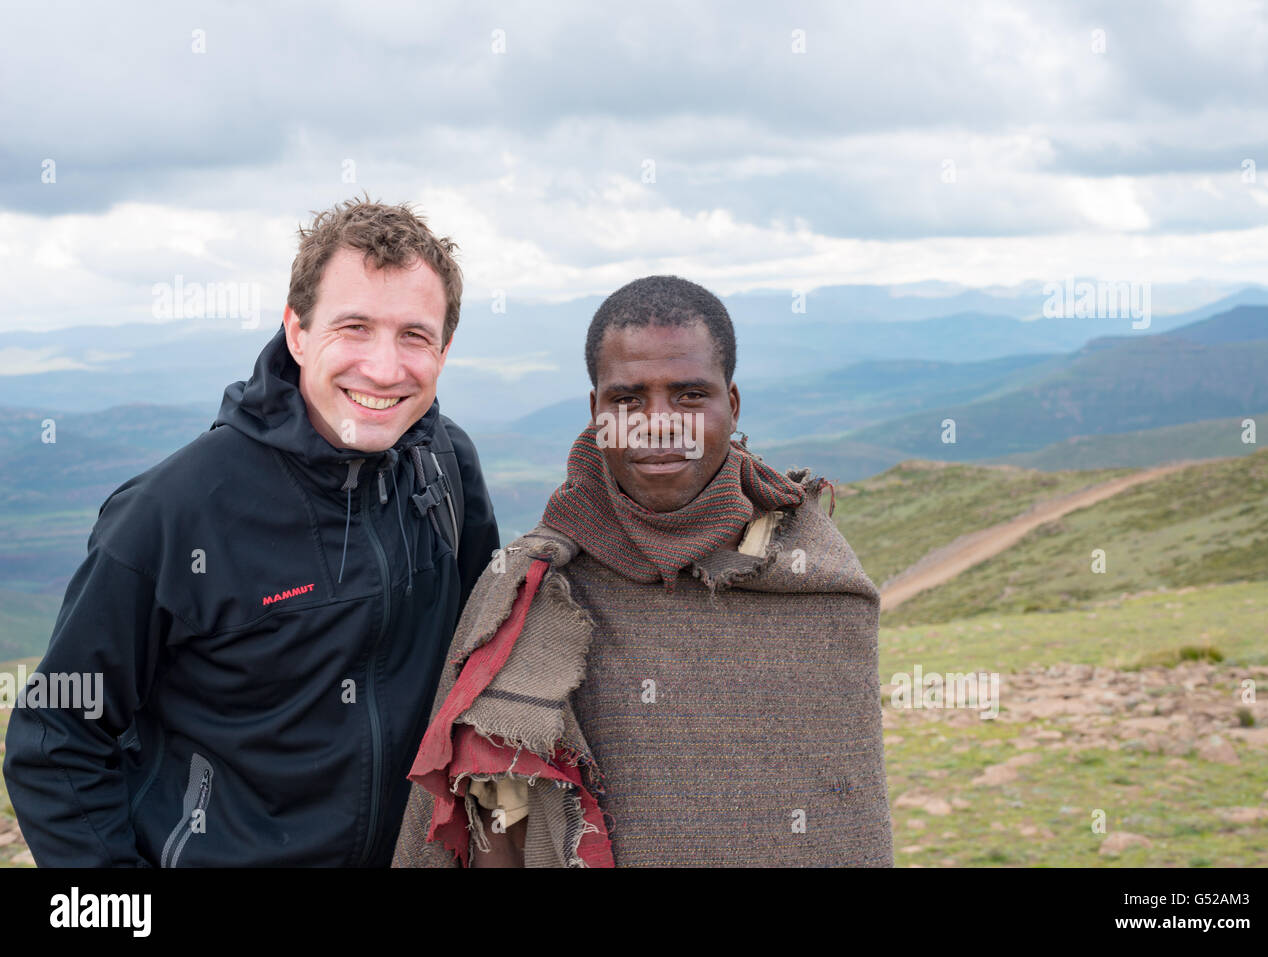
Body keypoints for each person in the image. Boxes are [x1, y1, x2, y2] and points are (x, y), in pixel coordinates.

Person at [3, 198, 499, 866]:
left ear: (444, 348)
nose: (384, 368)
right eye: (353, 327)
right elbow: (53, 737)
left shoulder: (445, 469)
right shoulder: (174, 511)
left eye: (414, 335)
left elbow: (483, 663)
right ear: (296, 331)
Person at [392, 275, 892, 867]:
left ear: (730, 405)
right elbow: (488, 824)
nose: (658, 422)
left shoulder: (820, 587)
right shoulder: (533, 590)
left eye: (688, 396)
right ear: (596, 411)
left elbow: (846, 818)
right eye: (627, 399)